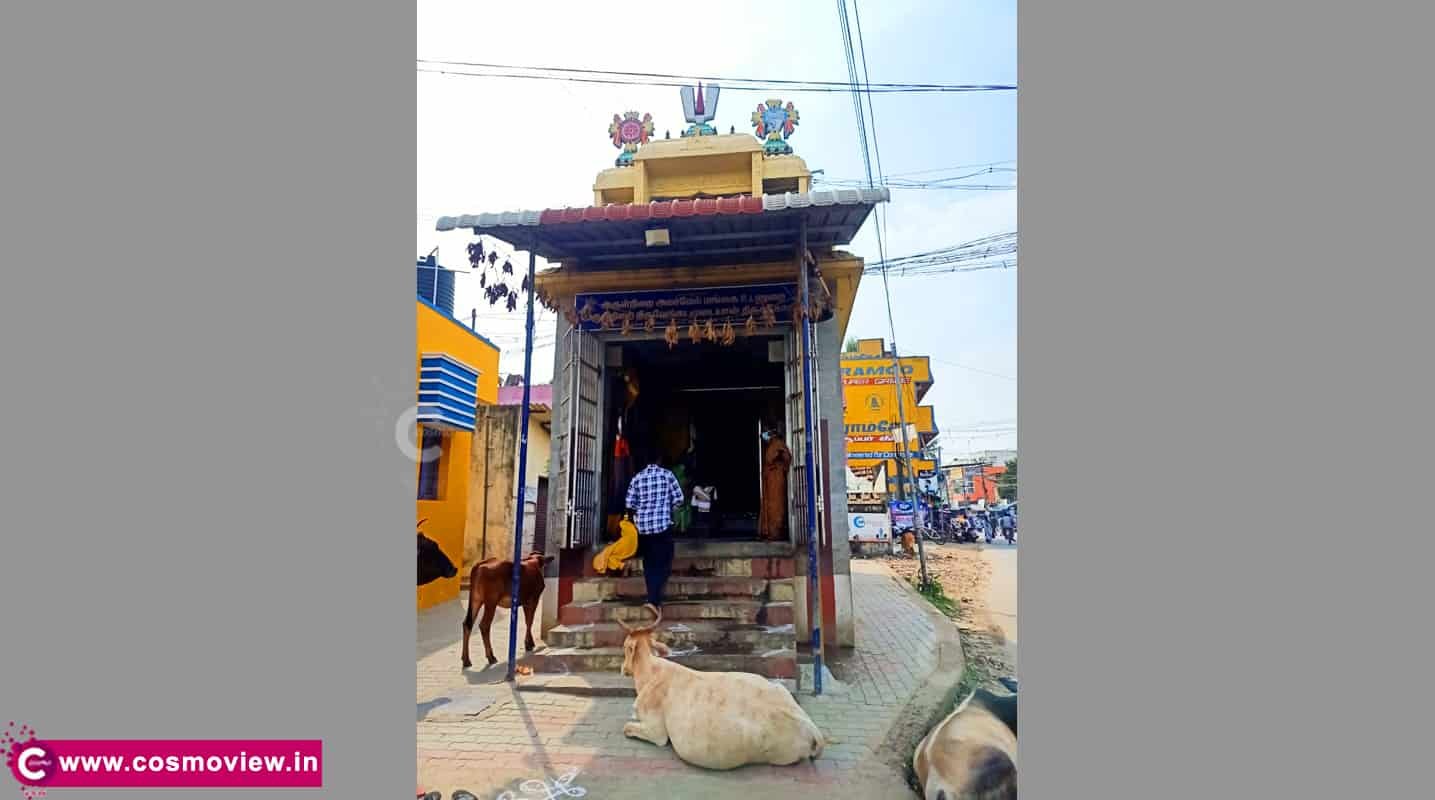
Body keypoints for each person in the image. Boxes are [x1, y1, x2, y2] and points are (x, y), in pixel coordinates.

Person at [624, 438, 685, 609]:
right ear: (659, 459)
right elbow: (679, 499)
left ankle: (652, 598)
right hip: (662, 527)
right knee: (664, 562)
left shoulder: (637, 478)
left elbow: (630, 504)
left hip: (644, 529)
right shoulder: (667, 475)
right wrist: (668, 508)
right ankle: (654, 599)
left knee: (649, 563)